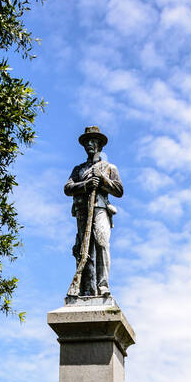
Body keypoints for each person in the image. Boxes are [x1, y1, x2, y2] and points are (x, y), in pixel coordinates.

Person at [64, 125, 123, 298]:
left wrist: (103, 179)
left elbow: (119, 190)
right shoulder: (78, 169)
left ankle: (103, 285)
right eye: (87, 141)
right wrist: (85, 185)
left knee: (102, 242)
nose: (90, 144)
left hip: (100, 208)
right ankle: (86, 288)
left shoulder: (109, 167)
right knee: (84, 249)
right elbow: (68, 188)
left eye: (93, 141)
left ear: (99, 145)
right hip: (82, 210)